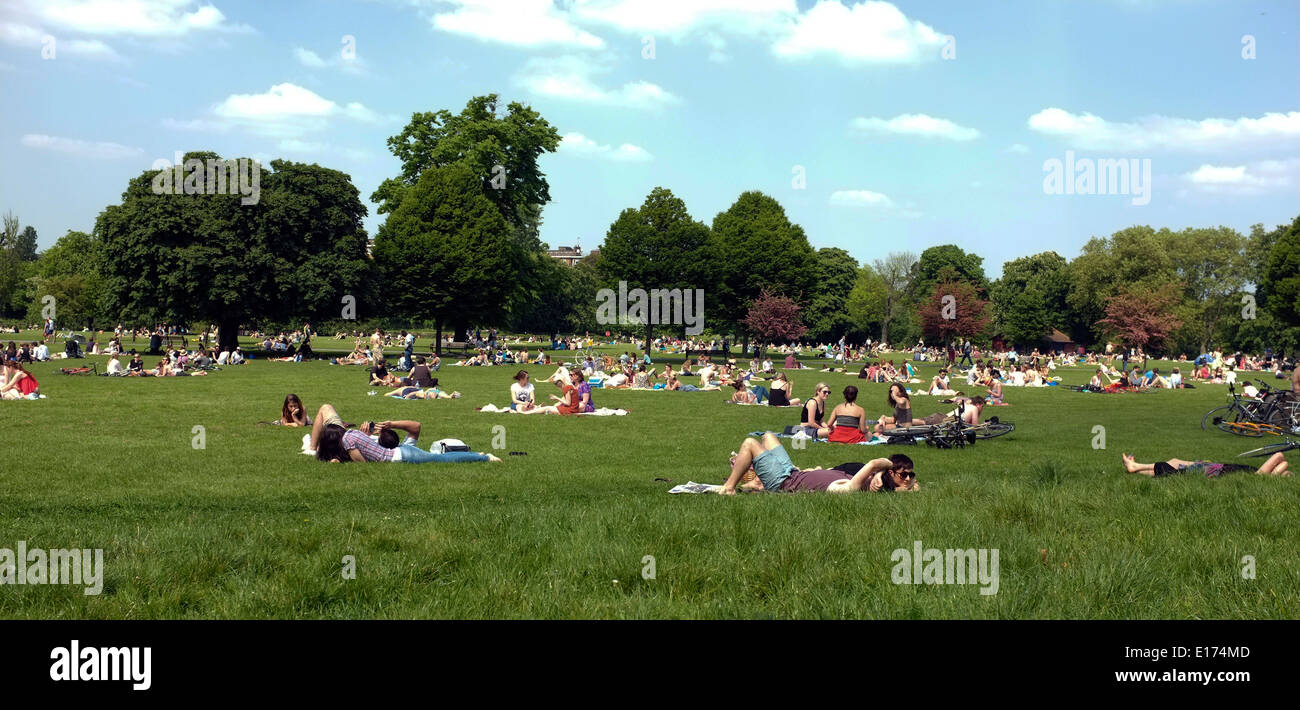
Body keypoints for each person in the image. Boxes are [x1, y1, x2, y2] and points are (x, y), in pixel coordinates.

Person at [719, 433, 917, 494]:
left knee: (749, 443)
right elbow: (882, 466)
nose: (907, 478)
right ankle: (756, 482)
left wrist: (876, 467)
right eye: (903, 475)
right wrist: (881, 474)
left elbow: (873, 464)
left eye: (909, 476)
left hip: (783, 482)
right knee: (768, 436)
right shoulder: (875, 478)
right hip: (793, 471)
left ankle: (729, 488)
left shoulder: (850, 488)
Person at [315, 416, 500, 464]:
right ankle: (479, 455)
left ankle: (485, 457)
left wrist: (391, 424)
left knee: (440, 460)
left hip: (400, 455)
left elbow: (362, 463)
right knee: (439, 458)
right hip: (401, 450)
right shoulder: (353, 434)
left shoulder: (348, 441)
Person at [1121, 452, 1289, 477]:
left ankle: (1135, 467)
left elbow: (1280, 456)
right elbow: (1283, 464)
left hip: (1216, 471)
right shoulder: (1257, 475)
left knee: (1175, 466)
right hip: (1218, 468)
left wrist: (1281, 471)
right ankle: (1135, 467)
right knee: (1175, 465)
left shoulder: (1258, 475)